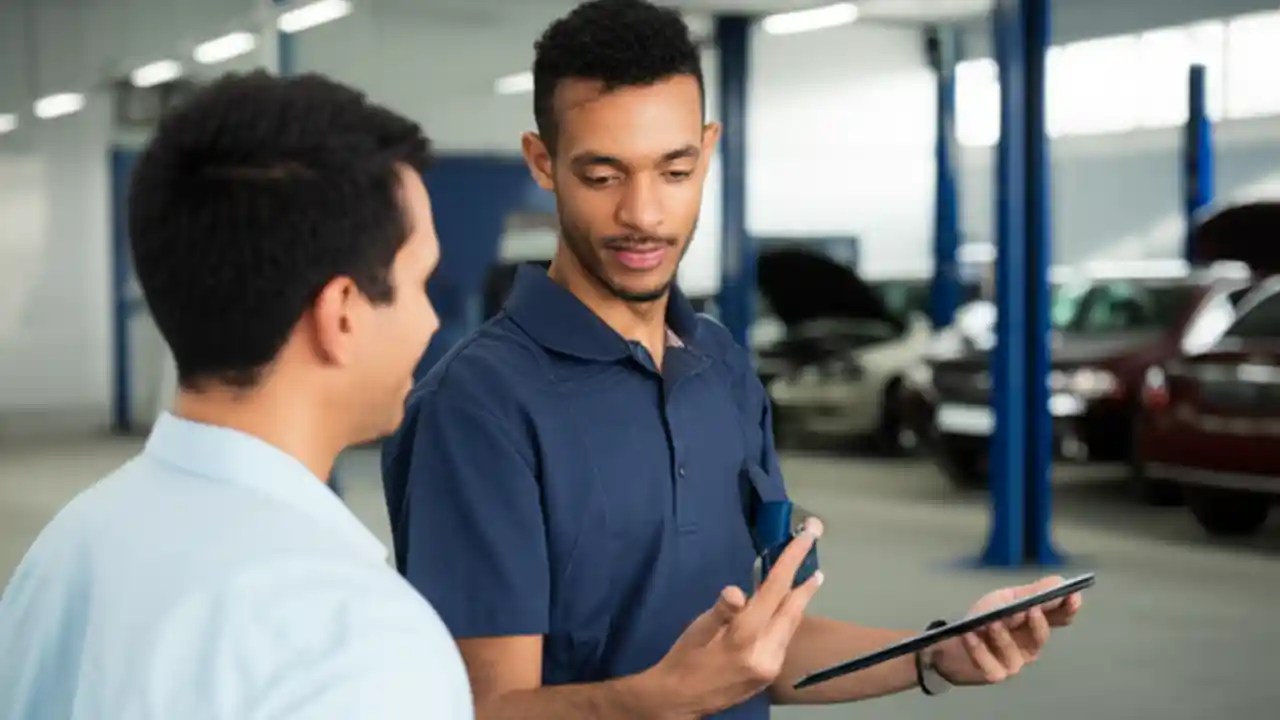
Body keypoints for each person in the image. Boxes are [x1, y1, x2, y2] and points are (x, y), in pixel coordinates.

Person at [380, 1, 1084, 718]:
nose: (645, 214)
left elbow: (756, 656)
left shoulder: (719, 366)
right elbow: (482, 706)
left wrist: (933, 651)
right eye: (603, 176)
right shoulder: (479, 405)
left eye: (675, 169)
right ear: (543, 163)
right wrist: (658, 700)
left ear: (708, 150)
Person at [0, 72, 472, 719]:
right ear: (341, 315)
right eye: (421, 281)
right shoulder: (362, 640)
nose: (431, 321)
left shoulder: (64, 552)